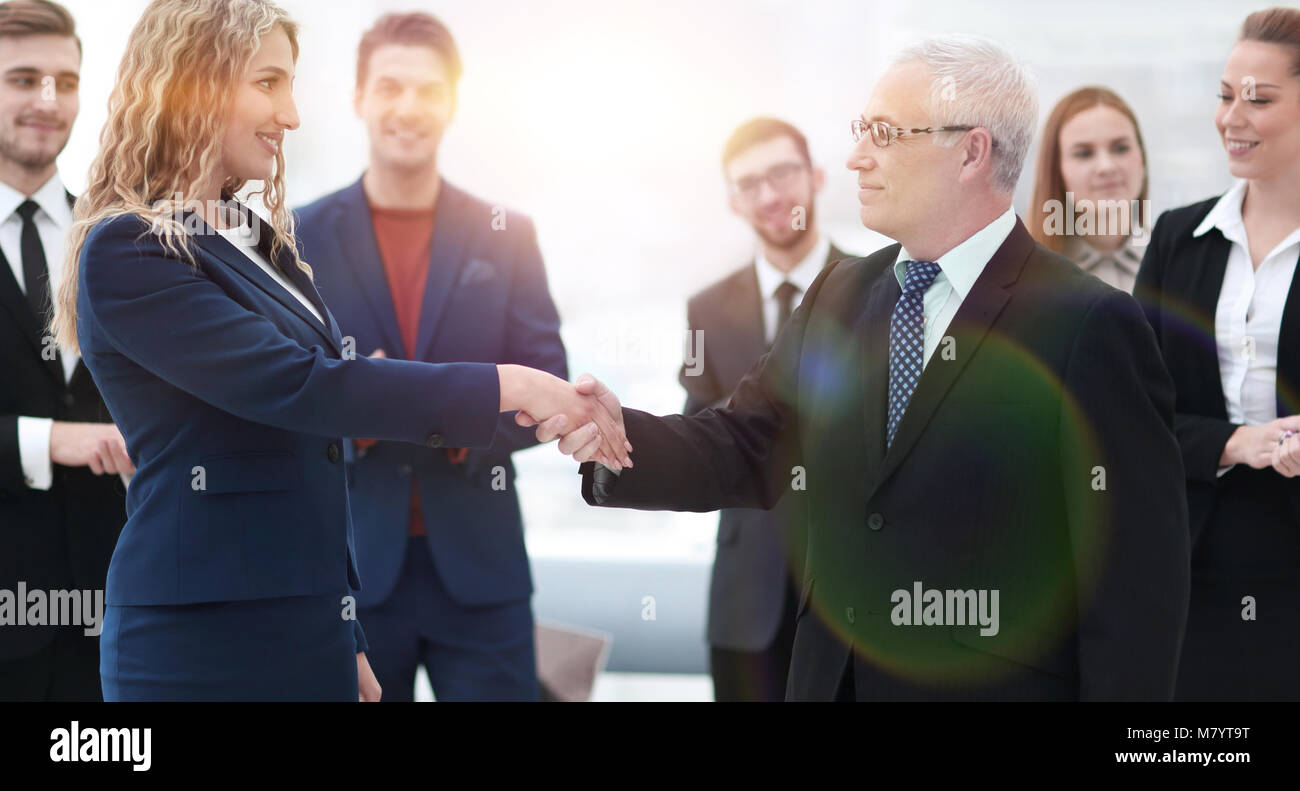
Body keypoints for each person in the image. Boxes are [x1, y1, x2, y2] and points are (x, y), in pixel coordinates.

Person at [528, 35, 1190, 701]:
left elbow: (1135, 584)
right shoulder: (838, 296)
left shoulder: (1088, 324)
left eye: (883, 133)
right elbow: (745, 442)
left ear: (971, 151)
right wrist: (617, 436)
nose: (856, 156)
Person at [49, 0, 629, 702]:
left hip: (304, 627)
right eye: (268, 83)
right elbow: (303, 386)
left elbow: (308, 455)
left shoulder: (255, 240)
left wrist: (340, 628)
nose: (289, 115)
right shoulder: (130, 249)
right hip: (202, 645)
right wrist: (507, 384)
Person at [296, 11, 567, 702]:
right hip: (348, 574)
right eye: (389, 88)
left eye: (427, 90)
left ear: (452, 102)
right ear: (359, 99)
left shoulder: (507, 233)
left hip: (482, 575)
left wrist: (448, 419)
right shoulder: (298, 236)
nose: (408, 108)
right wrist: (361, 411)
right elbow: (277, 389)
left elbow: (550, 381)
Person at [1134, 5, 1300, 701]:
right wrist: (1238, 441)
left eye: (1259, 100)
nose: (1233, 116)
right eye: (1225, 95)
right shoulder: (1178, 239)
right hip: (1198, 563)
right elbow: (1133, 411)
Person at [681, 117, 846, 702]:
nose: (771, 196)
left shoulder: (878, 288)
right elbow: (700, 439)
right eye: (750, 184)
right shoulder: (706, 308)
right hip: (744, 599)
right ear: (733, 201)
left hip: (851, 594)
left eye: (783, 174)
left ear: (817, 176)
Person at [0, 0, 132, 702]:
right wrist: (51, 441)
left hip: (116, 617)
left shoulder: (119, 240)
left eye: (65, 81)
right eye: (23, 79)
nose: (47, 102)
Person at [1028, 86, 1149, 292]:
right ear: (1056, 169)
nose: (1106, 166)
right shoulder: (1026, 276)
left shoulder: (1179, 264)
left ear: (1142, 160)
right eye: (1083, 153)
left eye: (1121, 148)